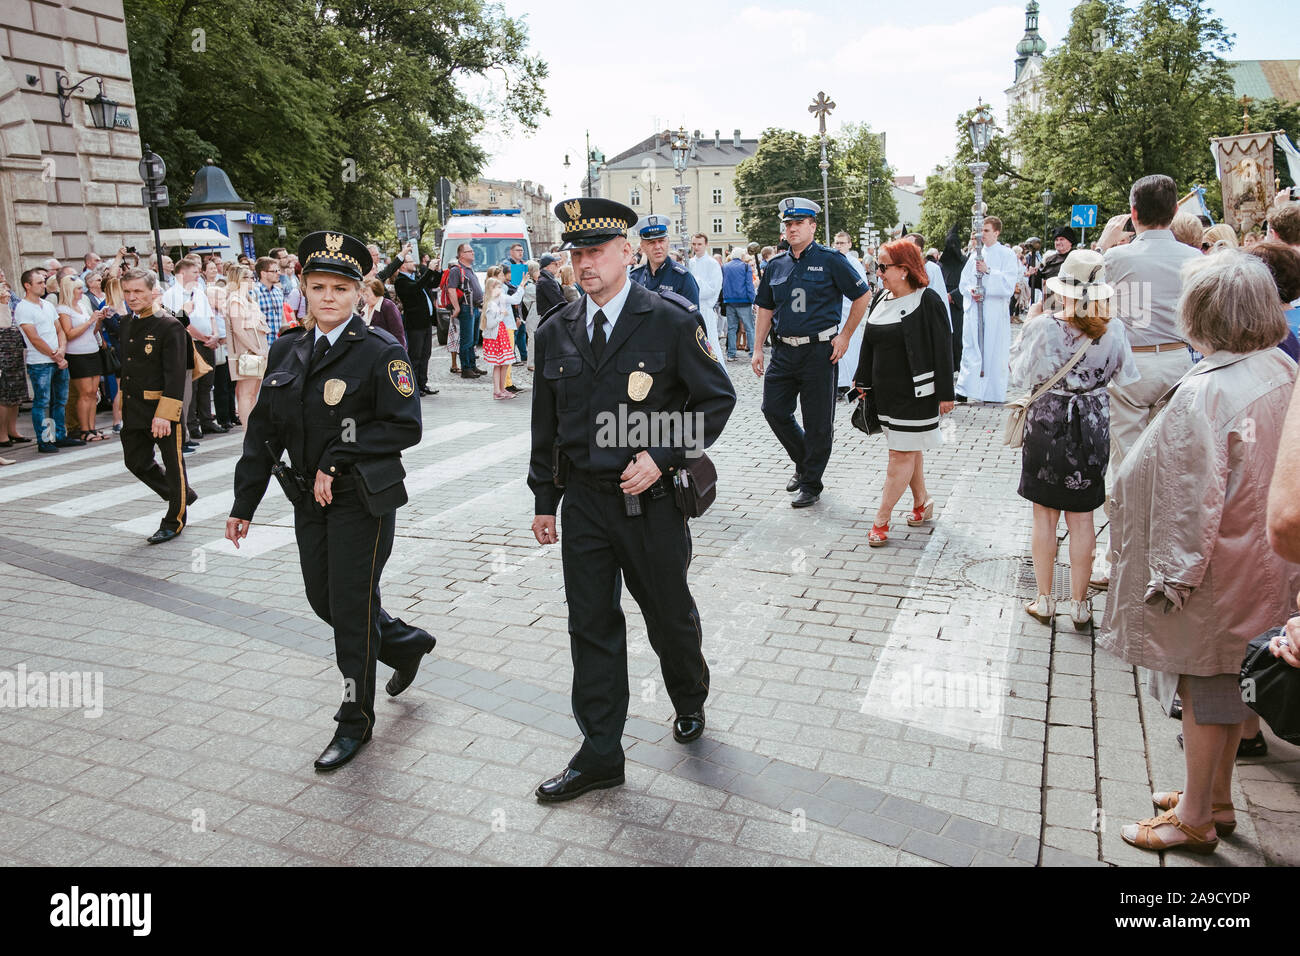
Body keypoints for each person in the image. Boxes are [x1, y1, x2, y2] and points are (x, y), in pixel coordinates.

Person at [528, 197, 736, 802]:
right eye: (576, 254)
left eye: (596, 251)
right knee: (590, 625)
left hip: (650, 503)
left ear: (627, 250)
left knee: (668, 615)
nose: (584, 264)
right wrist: (545, 498)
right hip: (586, 503)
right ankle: (600, 753)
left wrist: (662, 455)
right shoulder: (555, 330)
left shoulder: (668, 320)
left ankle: (689, 694)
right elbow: (545, 427)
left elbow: (715, 400)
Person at [1099, 250, 1300, 855]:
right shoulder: (1279, 368)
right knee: (1232, 686)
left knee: (1205, 688)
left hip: (1216, 566)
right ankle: (1214, 798)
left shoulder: (1207, 391)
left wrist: (1172, 575)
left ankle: (1195, 818)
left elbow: (1189, 497)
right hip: (1262, 561)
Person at [227, 230, 436, 772]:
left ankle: (354, 720)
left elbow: (404, 426)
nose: (327, 298)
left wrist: (337, 455)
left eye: (340, 289)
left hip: (361, 499)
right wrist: (243, 504)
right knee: (326, 600)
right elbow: (263, 435)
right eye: (317, 287)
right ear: (303, 288)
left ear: (358, 293)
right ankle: (404, 642)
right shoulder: (287, 348)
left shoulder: (380, 352)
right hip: (308, 501)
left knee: (349, 606)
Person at [1009, 250, 1138, 627]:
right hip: (1093, 425)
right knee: (1083, 519)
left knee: (1044, 516)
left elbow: (1019, 374)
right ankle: (1080, 605)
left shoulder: (1045, 326)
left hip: (1049, 423)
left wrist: (1030, 323)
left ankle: (1045, 598)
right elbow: (1125, 376)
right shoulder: (1114, 329)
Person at [753, 197, 870, 507]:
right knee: (773, 409)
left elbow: (863, 295)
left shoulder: (831, 259)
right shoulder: (776, 264)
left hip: (820, 351)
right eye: (788, 224)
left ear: (812, 226)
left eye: (798, 223)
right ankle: (805, 463)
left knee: (818, 422)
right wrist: (757, 349)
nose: (792, 229)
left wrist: (845, 336)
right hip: (783, 351)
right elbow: (765, 306)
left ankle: (811, 483)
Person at [852, 239, 954, 547]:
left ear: (904, 270)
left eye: (883, 267)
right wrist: (862, 381)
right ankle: (922, 502)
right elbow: (869, 343)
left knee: (900, 454)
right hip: (886, 394)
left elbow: (944, 348)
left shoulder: (929, 300)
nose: (878, 272)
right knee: (908, 450)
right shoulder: (881, 297)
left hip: (918, 395)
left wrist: (946, 393)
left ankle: (881, 520)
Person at [1103, 174, 1202, 477]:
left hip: (1133, 362)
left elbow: (1080, 300)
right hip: (1178, 360)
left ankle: (1127, 518)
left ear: (1134, 214)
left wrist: (1103, 244)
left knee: (1127, 455)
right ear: (1174, 212)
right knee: (1170, 455)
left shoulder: (1117, 257)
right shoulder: (1195, 257)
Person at [117, 268, 197, 544]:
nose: (132, 297)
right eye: (127, 292)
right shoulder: (127, 322)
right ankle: (182, 494)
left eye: (138, 291)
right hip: (134, 408)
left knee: (173, 465)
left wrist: (165, 414)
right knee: (135, 461)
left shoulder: (169, 324)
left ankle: (174, 519)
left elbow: (175, 374)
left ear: (153, 292)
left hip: (162, 410)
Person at [955, 216, 1020, 403]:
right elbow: (964, 282)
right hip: (975, 308)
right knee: (971, 347)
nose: (981, 234)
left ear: (996, 232)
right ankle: (965, 388)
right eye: (980, 230)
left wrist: (988, 271)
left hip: (994, 310)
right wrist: (971, 291)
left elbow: (1008, 285)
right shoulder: (974, 255)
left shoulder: (1006, 255)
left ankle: (992, 392)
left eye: (986, 230)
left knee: (993, 349)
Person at [16, 268, 81, 453]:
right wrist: (56, 355)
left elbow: (59, 329)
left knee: (59, 400)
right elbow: (34, 337)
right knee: (43, 402)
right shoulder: (23, 307)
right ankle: (45, 440)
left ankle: (59, 435)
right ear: (27, 285)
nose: (43, 285)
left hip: (57, 358)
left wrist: (61, 350)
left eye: (44, 282)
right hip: (40, 362)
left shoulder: (47, 305)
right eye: (39, 283)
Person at [378, 241, 438, 395]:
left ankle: (423, 383)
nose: (415, 264)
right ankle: (415, 386)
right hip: (415, 324)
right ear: (403, 266)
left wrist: (437, 270)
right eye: (411, 261)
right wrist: (428, 271)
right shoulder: (402, 281)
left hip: (425, 322)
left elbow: (432, 283)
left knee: (426, 354)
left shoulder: (415, 276)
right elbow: (416, 288)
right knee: (415, 355)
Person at [56, 275, 107, 441]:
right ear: (70, 290)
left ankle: (92, 427)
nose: (81, 291)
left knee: (93, 393)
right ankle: (83, 429)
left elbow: (91, 330)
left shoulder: (82, 306)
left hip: (92, 350)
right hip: (77, 355)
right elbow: (69, 334)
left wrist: (98, 320)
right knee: (84, 393)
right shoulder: (63, 309)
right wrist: (90, 321)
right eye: (78, 288)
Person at [224, 262, 271, 427]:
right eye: (249, 277)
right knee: (246, 393)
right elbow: (238, 329)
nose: (253, 280)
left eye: (253, 277)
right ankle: (247, 431)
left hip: (255, 350)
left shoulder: (248, 298)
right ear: (239, 279)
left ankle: (253, 429)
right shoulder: (235, 300)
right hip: (247, 352)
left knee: (253, 393)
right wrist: (256, 349)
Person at [629, 215, 700, 306]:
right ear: (642, 246)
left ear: (668, 243)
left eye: (661, 241)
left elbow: (693, 318)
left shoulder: (683, 278)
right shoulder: (635, 277)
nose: (657, 247)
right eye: (651, 242)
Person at [831, 231, 870, 395]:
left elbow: (862, 290)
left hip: (849, 310)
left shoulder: (853, 263)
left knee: (851, 346)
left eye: (842, 243)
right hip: (836, 311)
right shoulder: (832, 260)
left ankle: (847, 382)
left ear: (849, 244)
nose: (839, 246)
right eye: (836, 243)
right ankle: (838, 381)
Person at [0, 272, 33, 450]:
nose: (3, 278)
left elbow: (18, 308)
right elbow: (3, 322)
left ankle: (13, 430)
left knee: (16, 390)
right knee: (4, 392)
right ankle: (2, 434)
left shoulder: (8, 293)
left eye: (4, 274)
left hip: (14, 343)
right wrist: (2, 303)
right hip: (2, 345)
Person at [445, 242, 485, 380]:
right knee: (466, 340)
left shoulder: (469, 268)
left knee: (473, 339)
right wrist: (457, 307)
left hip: (475, 307)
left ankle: (472, 365)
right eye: (469, 251)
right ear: (461, 254)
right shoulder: (457, 269)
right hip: (466, 307)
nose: (473, 253)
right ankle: (466, 368)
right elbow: (451, 289)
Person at [480, 276, 525, 399]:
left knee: (505, 363)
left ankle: (502, 389)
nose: (501, 289)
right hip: (497, 337)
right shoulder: (491, 305)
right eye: (498, 287)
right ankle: (497, 391)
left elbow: (515, 299)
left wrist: (521, 286)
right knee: (499, 364)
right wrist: (501, 315)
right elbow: (490, 324)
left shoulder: (499, 299)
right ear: (491, 288)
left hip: (501, 334)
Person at [688, 232, 726, 363]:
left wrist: (696, 283)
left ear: (706, 245)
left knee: (710, 343)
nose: (696, 247)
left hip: (705, 308)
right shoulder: (690, 263)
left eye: (699, 244)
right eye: (694, 244)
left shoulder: (712, 264)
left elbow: (714, 288)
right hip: (691, 308)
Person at [939, 223, 967, 370]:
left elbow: (968, 283)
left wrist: (953, 296)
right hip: (944, 305)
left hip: (957, 305)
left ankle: (959, 365)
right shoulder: (941, 264)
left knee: (958, 336)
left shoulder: (965, 262)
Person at [721, 245, 756, 362]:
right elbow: (749, 285)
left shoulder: (725, 267)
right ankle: (752, 353)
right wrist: (753, 300)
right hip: (744, 300)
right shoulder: (746, 267)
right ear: (742, 256)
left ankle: (731, 354)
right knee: (749, 327)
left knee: (731, 328)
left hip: (730, 301)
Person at [360, 278, 407, 347]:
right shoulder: (364, 307)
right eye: (363, 295)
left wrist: (399, 355)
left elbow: (398, 335)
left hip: (385, 350)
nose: (364, 299)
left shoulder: (388, 306)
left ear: (377, 293)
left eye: (367, 295)